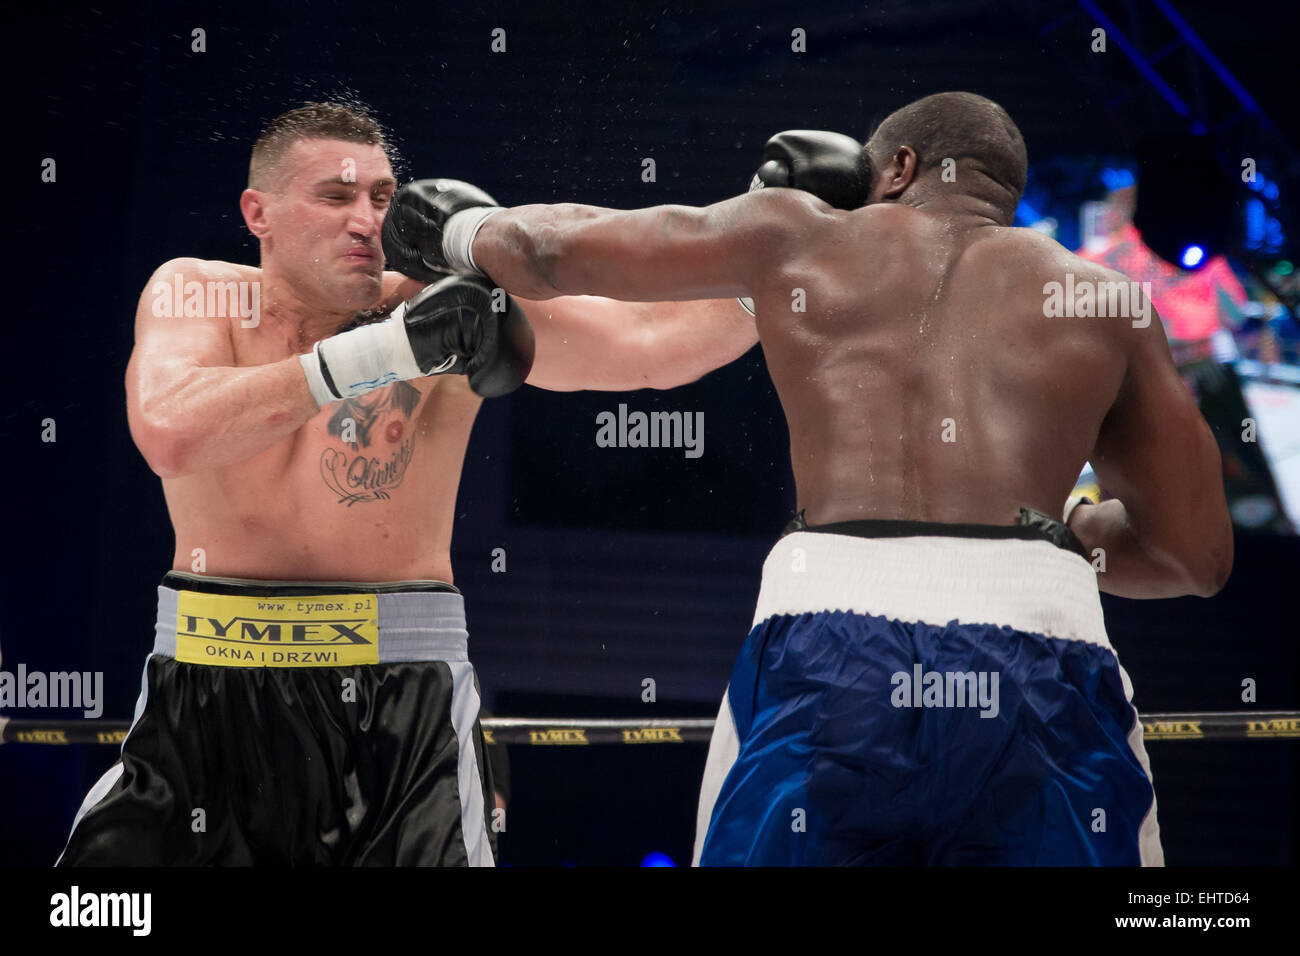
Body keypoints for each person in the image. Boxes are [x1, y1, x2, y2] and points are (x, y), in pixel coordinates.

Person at [388, 91, 1235, 865]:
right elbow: (1196, 558)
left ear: (897, 168)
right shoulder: (1107, 302)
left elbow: (544, 250)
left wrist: (459, 231)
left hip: (829, 643)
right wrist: (1077, 533)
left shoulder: (794, 232)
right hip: (1044, 649)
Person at [57, 101, 754, 866]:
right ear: (258, 211)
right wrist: (384, 353)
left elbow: (652, 348)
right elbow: (169, 430)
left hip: (402, 709)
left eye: (381, 198)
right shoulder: (201, 293)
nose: (366, 220)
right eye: (336, 196)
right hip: (203, 696)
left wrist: (783, 252)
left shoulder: (440, 307)